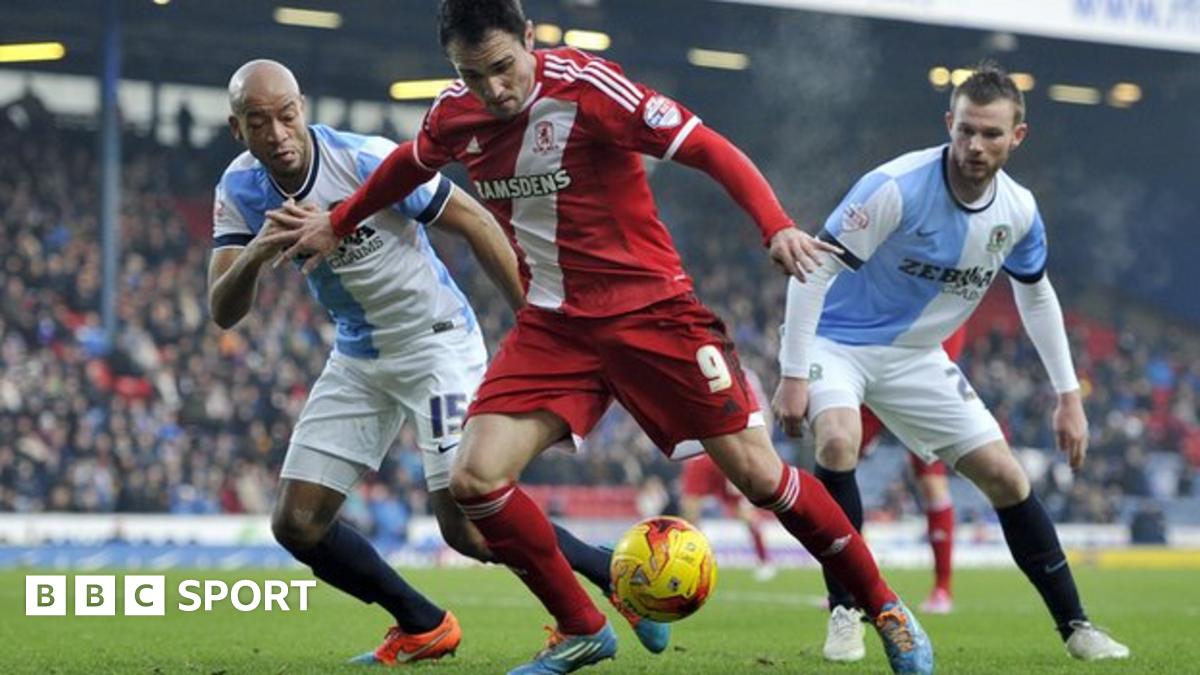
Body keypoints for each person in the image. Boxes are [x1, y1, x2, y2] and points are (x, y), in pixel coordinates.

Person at [266, 3, 934, 674]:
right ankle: (582, 626)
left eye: (503, 67)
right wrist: (339, 219)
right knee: (474, 478)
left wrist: (775, 224)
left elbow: (706, 146)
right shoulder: (452, 114)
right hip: (555, 326)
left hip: (654, 315)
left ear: (530, 39)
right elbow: (408, 165)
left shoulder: (591, 90)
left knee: (762, 477)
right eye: (474, 76)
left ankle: (885, 607)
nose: (494, 89)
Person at [207, 59, 668, 667]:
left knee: (470, 528)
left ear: (303, 108)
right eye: (259, 123)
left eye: (287, 115)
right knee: (297, 525)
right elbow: (222, 309)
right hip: (357, 355)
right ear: (238, 129)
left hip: (437, 342)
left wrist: (537, 322)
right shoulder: (239, 189)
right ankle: (422, 624)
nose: (278, 134)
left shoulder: (364, 159)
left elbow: (475, 220)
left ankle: (605, 578)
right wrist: (259, 251)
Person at [773, 63, 1130, 663]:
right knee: (838, 440)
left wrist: (1068, 396)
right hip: (838, 342)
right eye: (965, 130)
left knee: (1008, 478)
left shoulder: (1017, 211)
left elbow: (1035, 294)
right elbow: (814, 271)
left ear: (1017, 137)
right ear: (949, 124)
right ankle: (846, 612)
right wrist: (791, 374)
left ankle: (1077, 627)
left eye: (991, 134)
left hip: (915, 357)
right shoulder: (894, 186)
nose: (974, 145)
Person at [679, 368, 775, 581]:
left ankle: (764, 560)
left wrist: (755, 450)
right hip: (699, 450)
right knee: (690, 512)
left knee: (743, 511)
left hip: (729, 446)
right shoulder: (688, 367)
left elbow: (761, 411)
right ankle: (694, 565)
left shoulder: (744, 374)